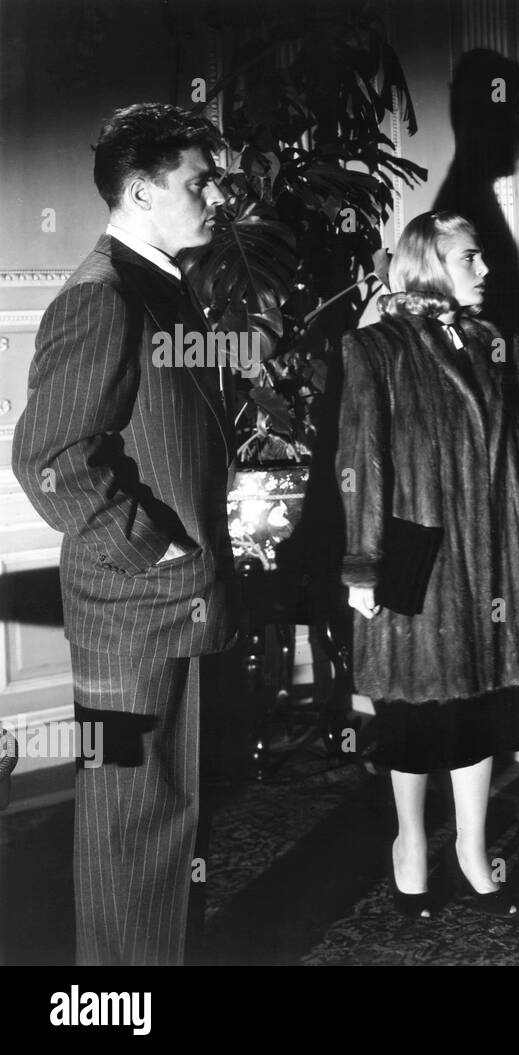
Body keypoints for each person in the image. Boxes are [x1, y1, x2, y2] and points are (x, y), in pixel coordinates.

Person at [12, 103, 234, 965]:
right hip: (131, 605)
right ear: (141, 192)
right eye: (198, 181)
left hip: (167, 603)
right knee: (129, 826)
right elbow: (53, 457)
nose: (216, 195)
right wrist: (154, 546)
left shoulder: (159, 281)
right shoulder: (102, 294)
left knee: (168, 817)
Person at [336, 211, 519, 919]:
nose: (487, 269)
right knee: (411, 718)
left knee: (483, 709)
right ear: (431, 263)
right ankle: (411, 846)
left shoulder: (496, 343)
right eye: (471, 258)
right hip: (413, 554)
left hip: (492, 554)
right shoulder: (375, 347)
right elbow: (361, 460)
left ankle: (471, 851)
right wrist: (364, 567)